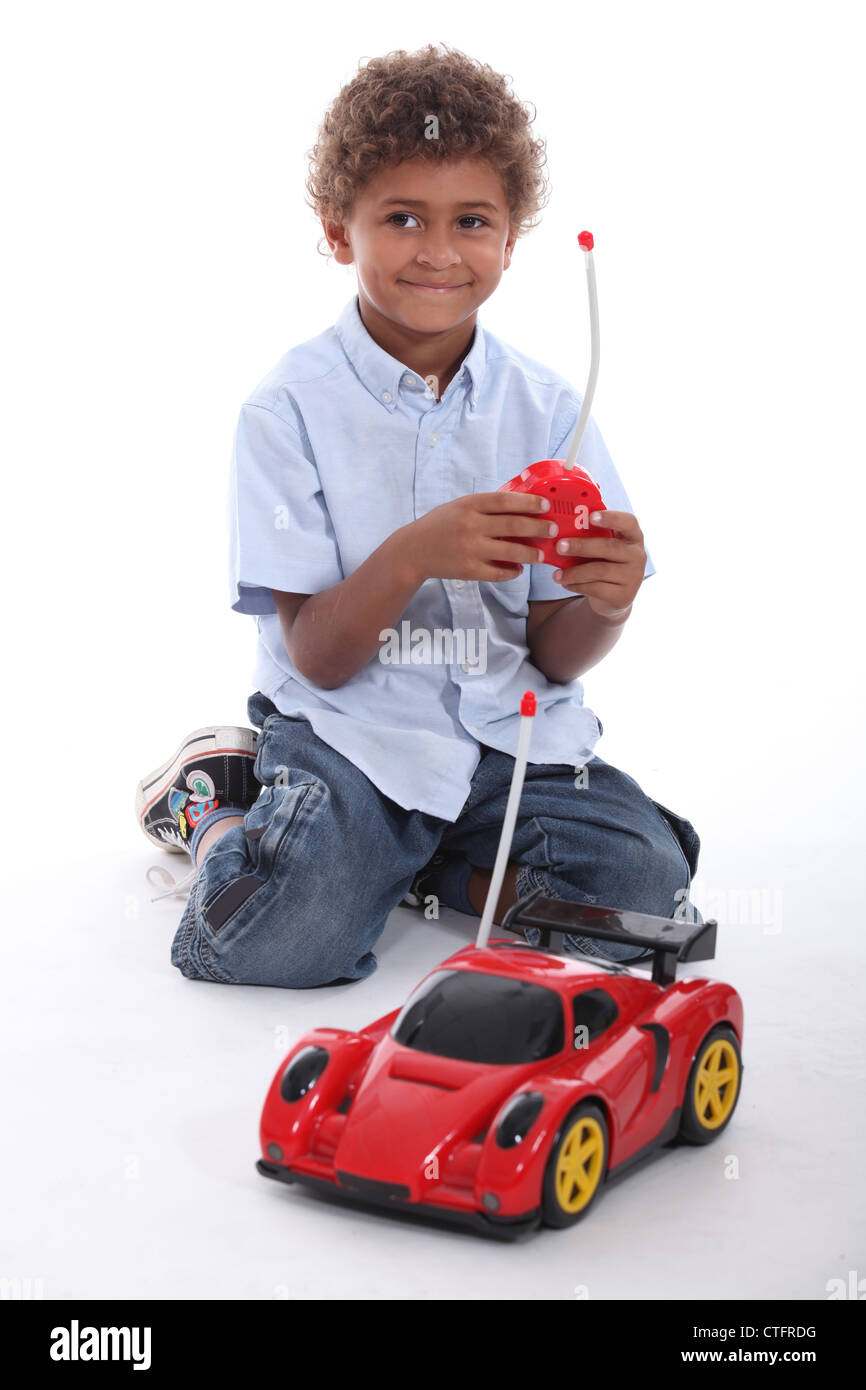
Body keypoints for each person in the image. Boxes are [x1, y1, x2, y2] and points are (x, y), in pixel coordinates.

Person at [135, 43, 701, 989]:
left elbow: (554, 656)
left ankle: (421, 868)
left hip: (508, 739)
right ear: (336, 228)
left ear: (511, 238)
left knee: (646, 891)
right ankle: (222, 807)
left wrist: (605, 603)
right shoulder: (287, 412)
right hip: (353, 735)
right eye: (402, 218)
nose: (439, 250)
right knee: (284, 941)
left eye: (471, 221)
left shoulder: (553, 409)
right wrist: (411, 556)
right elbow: (317, 653)